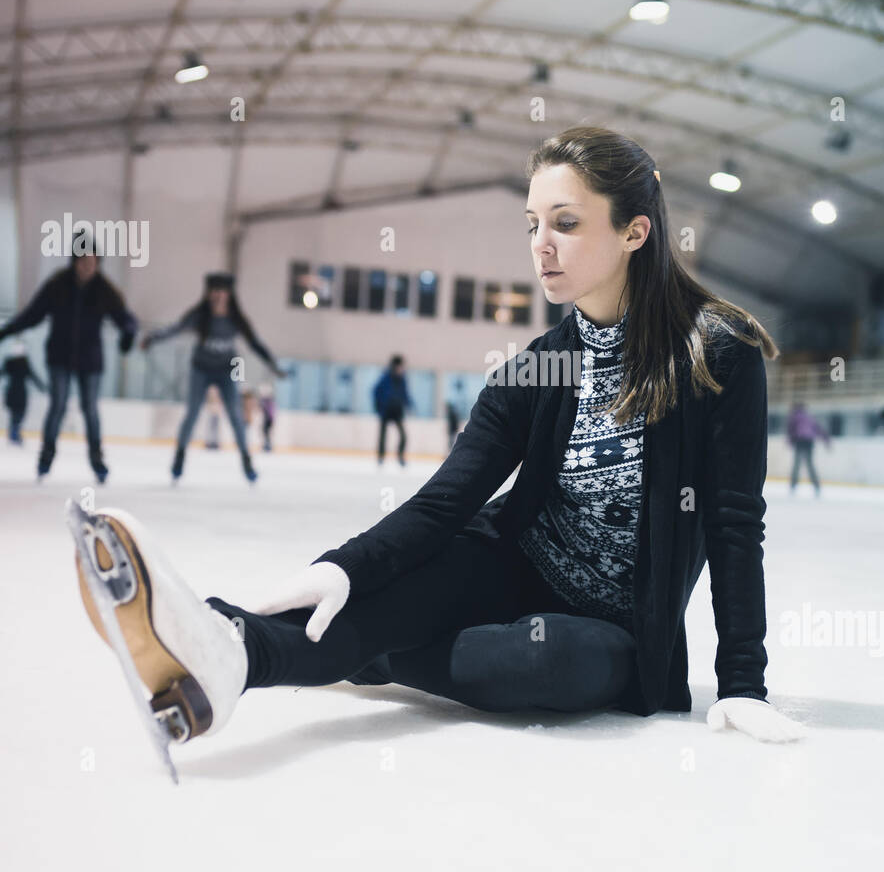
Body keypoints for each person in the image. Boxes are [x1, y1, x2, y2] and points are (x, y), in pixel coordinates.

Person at [65, 125, 808, 767]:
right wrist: (344, 567)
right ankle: (230, 650)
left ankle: (357, 646)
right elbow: (446, 501)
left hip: (610, 626)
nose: (540, 246)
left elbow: (735, 521)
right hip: (502, 565)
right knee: (387, 588)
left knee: (544, 662)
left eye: (566, 223)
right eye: (531, 224)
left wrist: (743, 682)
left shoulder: (718, 353)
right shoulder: (537, 366)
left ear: (634, 232)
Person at [0, 233, 137, 480]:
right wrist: (7, 330)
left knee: (90, 409)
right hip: (59, 356)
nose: (89, 268)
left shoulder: (104, 289)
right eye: (84, 262)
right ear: (74, 261)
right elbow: (33, 314)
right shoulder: (57, 285)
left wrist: (128, 332)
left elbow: (124, 317)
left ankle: (97, 460)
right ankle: (46, 456)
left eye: (94, 263)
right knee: (58, 406)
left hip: (90, 360)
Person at [140, 272, 286, 484]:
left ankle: (247, 462)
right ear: (208, 293)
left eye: (222, 292)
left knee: (236, 416)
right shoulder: (200, 316)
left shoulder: (236, 319)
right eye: (214, 291)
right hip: (201, 369)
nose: (218, 296)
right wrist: (153, 338)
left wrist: (273, 364)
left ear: (229, 294)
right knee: (191, 414)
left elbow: (255, 343)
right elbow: (176, 329)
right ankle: (179, 458)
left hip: (228, 369)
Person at [2, 340, 47, 444]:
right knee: (18, 414)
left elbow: (33, 376)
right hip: (18, 392)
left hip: (14, 391)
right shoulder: (21, 363)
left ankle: (14, 432)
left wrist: (43, 388)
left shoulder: (12, 362)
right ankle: (14, 433)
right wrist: (43, 388)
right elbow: (33, 377)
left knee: (16, 414)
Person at [373, 354, 412, 466]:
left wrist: (408, 405)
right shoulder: (385, 378)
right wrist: (378, 406)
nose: (402, 368)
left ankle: (400, 456)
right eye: (400, 366)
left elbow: (405, 394)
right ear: (395, 366)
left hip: (397, 411)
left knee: (403, 436)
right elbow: (376, 391)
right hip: (386, 411)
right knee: (382, 435)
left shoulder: (402, 379)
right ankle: (381, 457)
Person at [786, 401, 831, 495]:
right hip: (809, 442)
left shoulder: (794, 416)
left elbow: (791, 429)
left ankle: (793, 486)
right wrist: (826, 440)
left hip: (800, 441)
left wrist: (790, 441)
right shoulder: (809, 417)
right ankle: (817, 486)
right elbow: (818, 429)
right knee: (810, 465)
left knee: (797, 465)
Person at [258, 383, 277, 453]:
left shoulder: (268, 401)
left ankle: (267, 446)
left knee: (266, 433)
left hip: (269, 419)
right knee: (265, 432)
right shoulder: (268, 401)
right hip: (268, 419)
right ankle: (267, 446)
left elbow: (268, 411)